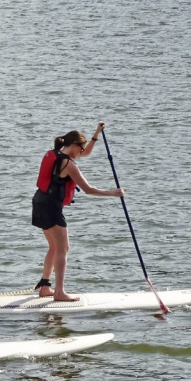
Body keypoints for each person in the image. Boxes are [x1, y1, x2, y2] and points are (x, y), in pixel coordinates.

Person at [32, 124, 125, 302]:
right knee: (63, 248)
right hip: (51, 207)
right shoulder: (68, 164)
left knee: (54, 247)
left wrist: (96, 134)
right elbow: (88, 189)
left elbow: (87, 152)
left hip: (39, 202)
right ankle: (59, 292)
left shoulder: (57, 153)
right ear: (74, 145)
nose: (82, 152)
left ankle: (45, 287)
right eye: (80, 148)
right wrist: (113, 193)